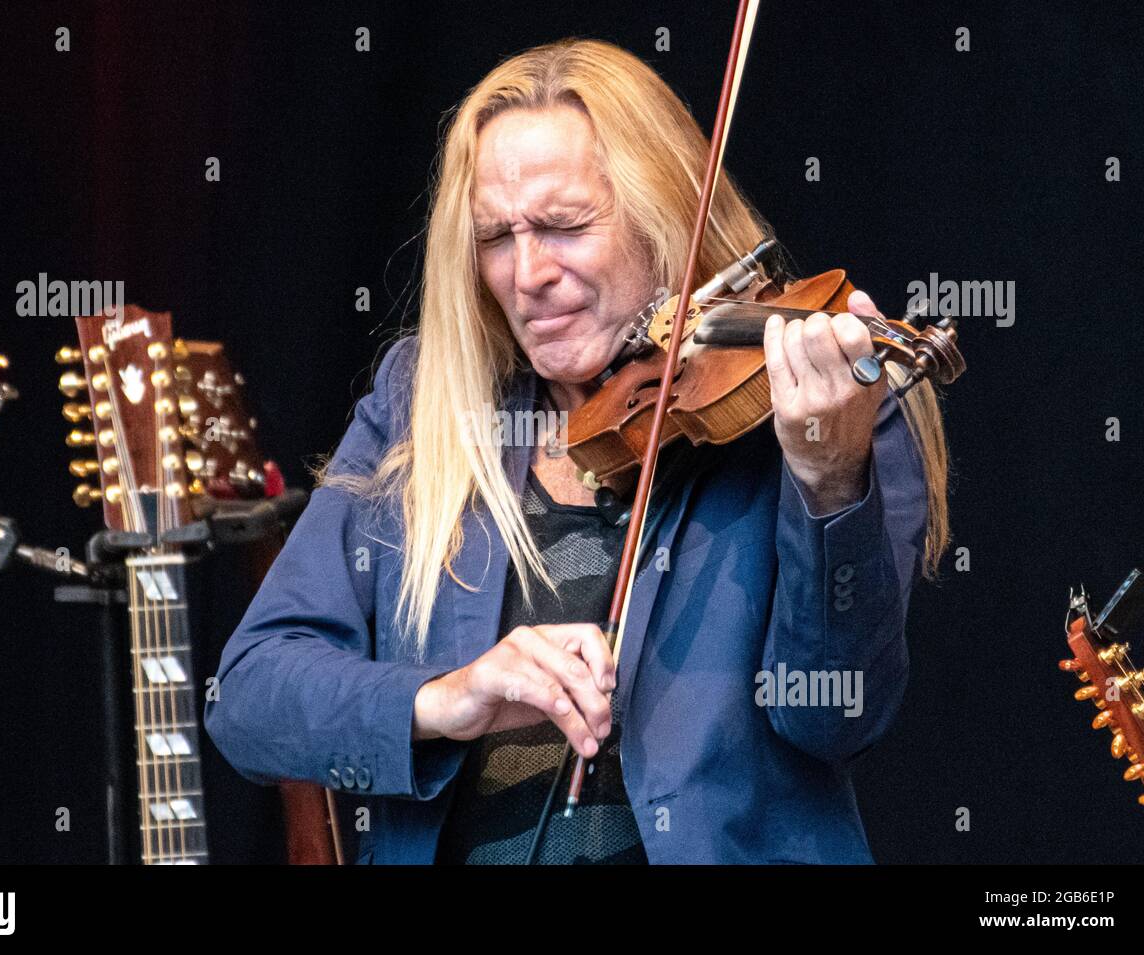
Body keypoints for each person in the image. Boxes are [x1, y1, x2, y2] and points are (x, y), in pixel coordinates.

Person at [204, 38, 949, 864]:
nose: (528, 274)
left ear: (662, 214)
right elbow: (250, 696)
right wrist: (449, 697)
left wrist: (827, 481)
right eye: (495, 237)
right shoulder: (427, 401)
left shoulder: (819, 403)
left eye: (564, 227)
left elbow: (836, 719)